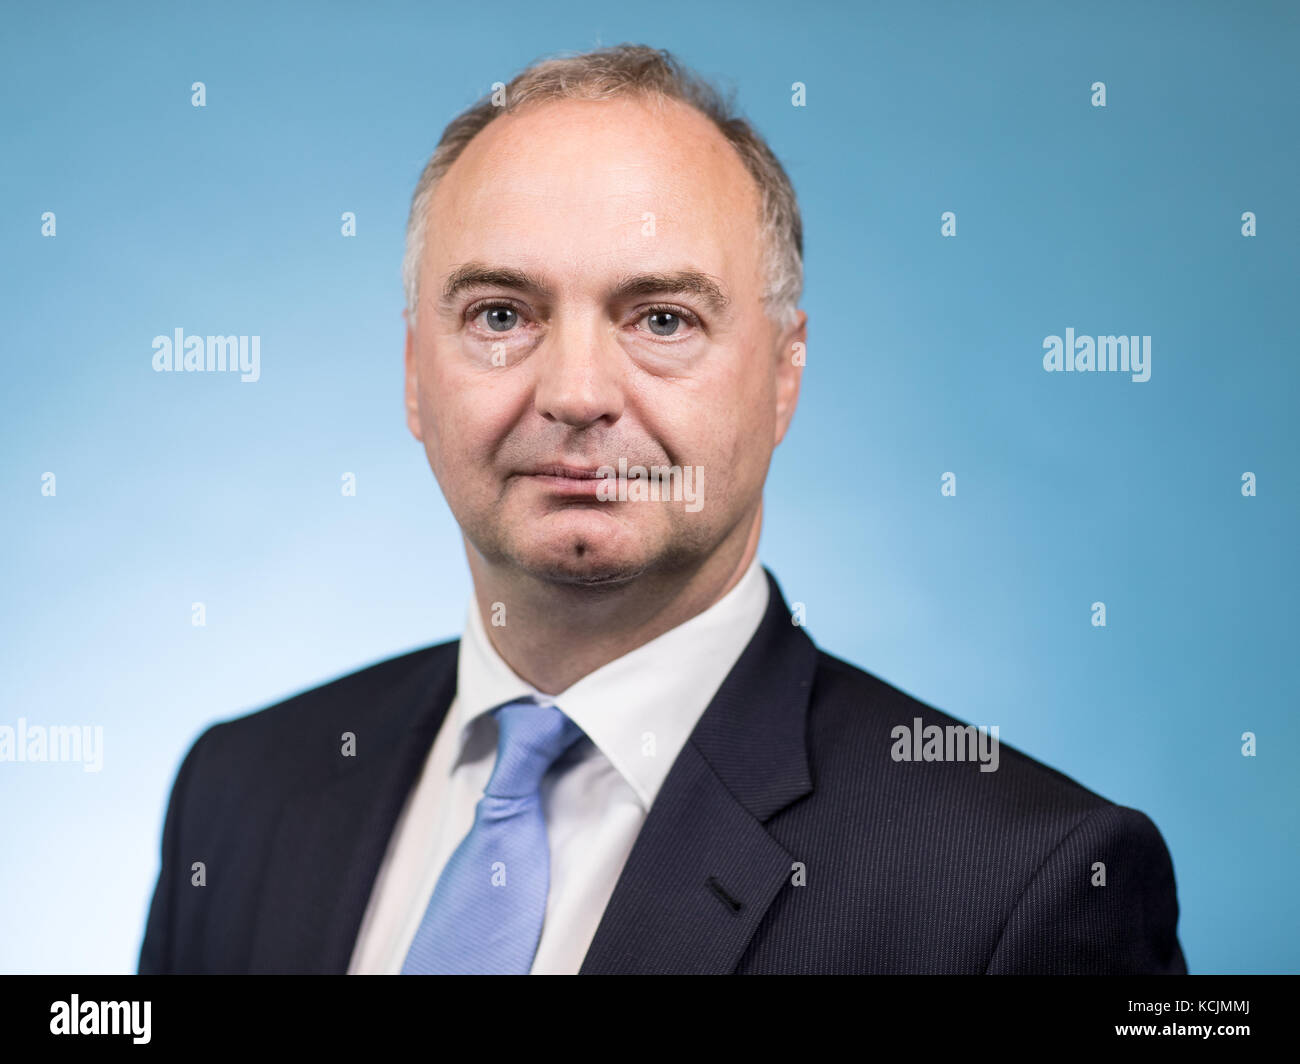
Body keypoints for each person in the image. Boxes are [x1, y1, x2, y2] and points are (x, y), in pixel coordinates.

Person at [138, 43, 1186, 975]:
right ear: (415, 373)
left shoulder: (1024, 885)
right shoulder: (240, 789)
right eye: (501, 313)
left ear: (784, 374)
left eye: (662, 317)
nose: (577, 391)